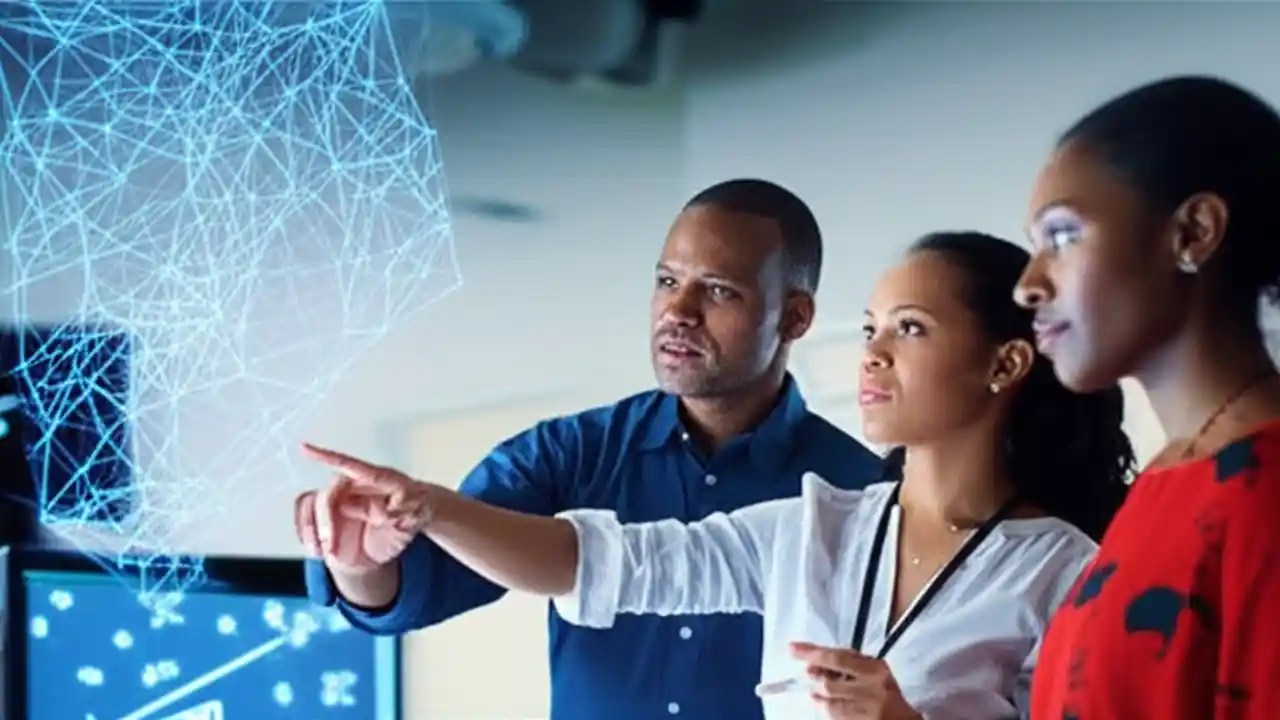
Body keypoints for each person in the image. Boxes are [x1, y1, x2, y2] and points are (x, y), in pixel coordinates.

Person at [301, 232, 1136, 719]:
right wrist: (429, 508)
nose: (873, 351)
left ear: (1007, 363)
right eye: (874, 325)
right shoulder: (817, 524)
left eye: (910, 329)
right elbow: (592, 564)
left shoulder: (1066, 572)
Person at [297, 178, 883, 720]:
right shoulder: (568, 453)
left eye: (719, 291)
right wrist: (360, 564)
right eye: (667, 281)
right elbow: (426, 584)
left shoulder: (863, 495)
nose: (678, 312)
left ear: (796, 317)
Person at [1015, 75, 1280, 719]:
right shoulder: (1173, 477)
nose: (1028, 285)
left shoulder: (1266, 491)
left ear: (1193, 232)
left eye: (1063, 236)